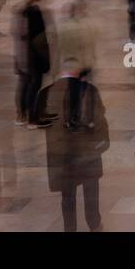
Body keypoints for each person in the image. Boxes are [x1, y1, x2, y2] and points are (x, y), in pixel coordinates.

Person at [37, 72, 109, 232]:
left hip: (62, 155)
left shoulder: (45, 93)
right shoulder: (90, 90)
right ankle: (94, 223)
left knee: (67, 195)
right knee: (91, 188)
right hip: (87, 152)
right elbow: (100, 120)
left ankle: (70, 228)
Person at [13, 0, 53, 129]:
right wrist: (46, 58)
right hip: (33, 56)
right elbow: (39, 38)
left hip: (23, 55)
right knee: (34, 86)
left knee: (25, 85)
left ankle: (22, 115)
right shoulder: (33, 12)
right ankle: (32, 119)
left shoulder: (20, 11)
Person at [56, 0, 98, 128]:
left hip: (78, 64)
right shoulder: (77, 26)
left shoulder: (73, 25)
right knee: (77, 92)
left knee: (76, 91)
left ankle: (75, 119)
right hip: (79, 64)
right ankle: (77, 119)